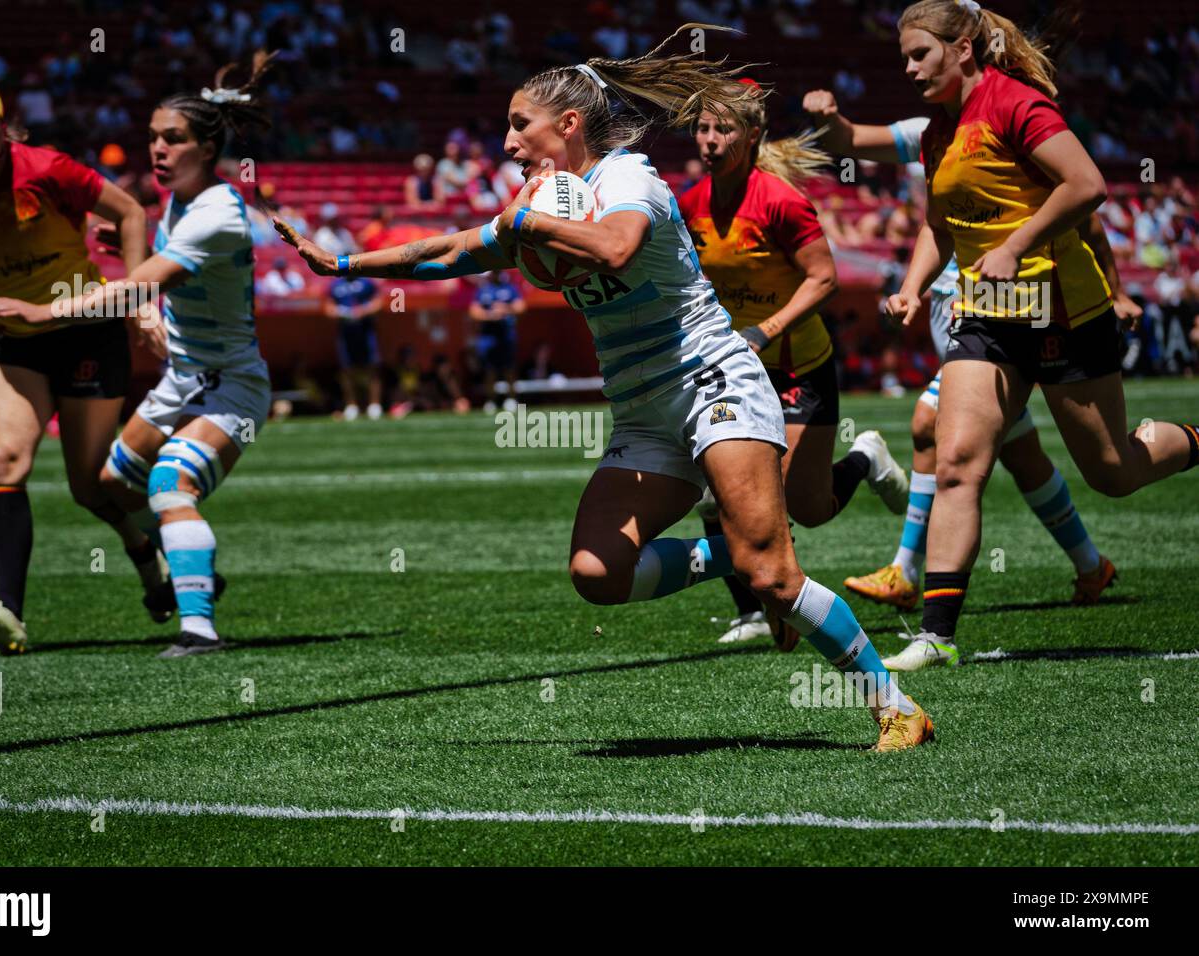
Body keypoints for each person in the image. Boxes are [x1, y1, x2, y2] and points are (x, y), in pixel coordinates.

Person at [277, 27, 934, 750]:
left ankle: (896, 706)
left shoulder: (626, 178)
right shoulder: (542, 200)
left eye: (517, 125)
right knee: (597, 570)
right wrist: (342, 265)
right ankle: (730, 555)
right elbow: (451, 250)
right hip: (643, 411)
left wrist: (526, 221)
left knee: (777, 579)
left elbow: (617, 245)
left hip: (714, 377)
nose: (505, 142)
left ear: (568, 125)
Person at [879, 0, 1198, 670]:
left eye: (919, 54)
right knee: (958, 459)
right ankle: (936, 635)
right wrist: (912, 286)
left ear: (962, 47)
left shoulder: (1015, 104)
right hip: (988, 316)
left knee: (1113, 472)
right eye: (902, 58)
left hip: (1064, 314)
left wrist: (1017, 243)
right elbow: (941, 225)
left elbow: (1087, 186)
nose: (908, 69)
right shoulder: (942, 130)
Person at [0, 55, 277, 658]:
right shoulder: (179, 203)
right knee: (109, 483)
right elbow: (164, 260)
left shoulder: (220, 213)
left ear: (207, 146)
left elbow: (139, 287)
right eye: (152, 138)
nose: (158, 150)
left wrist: (45, 312)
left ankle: (198, 628)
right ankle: (187, 562)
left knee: (171, 484)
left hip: (233, 388)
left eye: (173, 139)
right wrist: (131, 243)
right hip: (184, 378)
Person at [804, 87, 1133, 613]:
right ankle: (1092, 566)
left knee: (929, 425)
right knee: (1023, 458)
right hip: (957, 303)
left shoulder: (1012, 123)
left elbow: (1087, 213)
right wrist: (829, 117)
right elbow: (851, 142)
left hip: (996, 311)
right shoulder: (930, 132)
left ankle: (907, 573)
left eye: (922, 54)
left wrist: (1115, 293)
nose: (912, 70)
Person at [0, 73, 162, 654]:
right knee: (5, 460)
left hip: (87, 333)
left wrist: (140, 298)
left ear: (0, 121)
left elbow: (131, 214)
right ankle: (9, 612)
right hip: (16, 340)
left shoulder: (48, 168)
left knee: (90, 488)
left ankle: (149, 555)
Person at [681, 78, 909, 645]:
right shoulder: (688, 204)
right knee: (718, 492)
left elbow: (824, 279)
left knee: (810, 508)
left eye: (723, 129)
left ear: (753, 135)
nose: (709, 140)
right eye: (703, 128)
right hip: (733, 369)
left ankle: (867, 457)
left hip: (798, 369)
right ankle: (760, 612)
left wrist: (766, 329)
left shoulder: (780, 201)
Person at [325, 273, 385, 419]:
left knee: (373, 367)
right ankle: (351, 405)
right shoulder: (336, 285)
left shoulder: (366, 282)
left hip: (365, 331)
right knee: (346, 370)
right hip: (346, 333)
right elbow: (328, 308)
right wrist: (343, 313)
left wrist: (363, 311)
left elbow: (379, 302)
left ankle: (374, 405)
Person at [469, 270, 525, 413]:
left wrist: (506, 309)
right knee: (490, 370)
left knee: (509, 369)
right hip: (488, 336)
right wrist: (490, 315)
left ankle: (512, 399)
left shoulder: (509, 288)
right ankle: (491, 401)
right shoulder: (483, 290)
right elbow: (474, 311)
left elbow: (521, 306)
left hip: (506, 334)